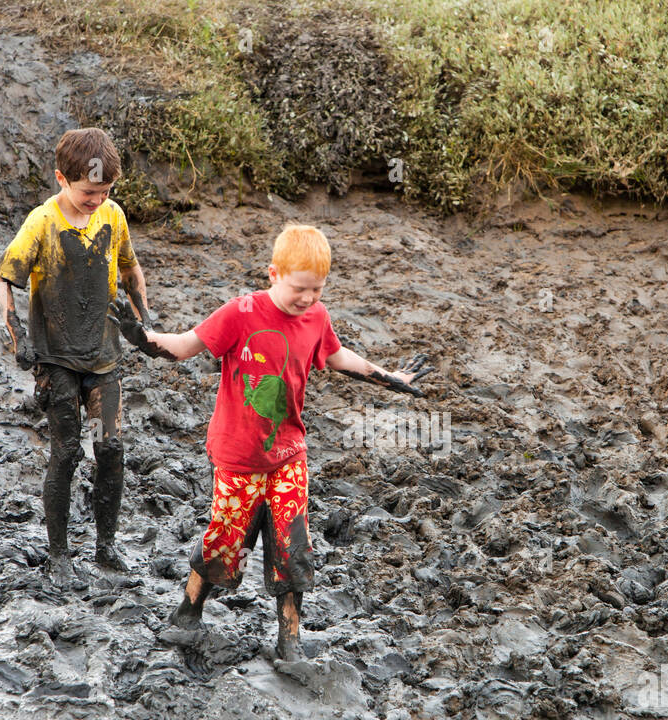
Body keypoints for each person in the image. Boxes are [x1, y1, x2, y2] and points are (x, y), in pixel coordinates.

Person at [110, 223, 430, 661]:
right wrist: (144, 340)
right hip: (238, 457)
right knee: (226, 542)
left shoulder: (317, 318)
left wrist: (389, 377)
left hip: (288, 455)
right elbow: (185, 346)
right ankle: (188, 613)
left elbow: (337, 357)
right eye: (300, 289)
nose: (308, 299)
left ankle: (290, 639)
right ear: (274, 274)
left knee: (293, 546)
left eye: (317, 290)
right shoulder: (240, 312)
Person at [0, 128, 152, 588]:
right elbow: (6, 276)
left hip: (104, 358)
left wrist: (144, 318)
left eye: (105, 192)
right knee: (64, 452)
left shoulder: (114, 216)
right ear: (62, 179)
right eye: (88, 192)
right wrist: (16, 334)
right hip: (57, 358)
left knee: (110, 448)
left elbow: (129, 265)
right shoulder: (42, 222)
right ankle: (59, 555)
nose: (97, 200)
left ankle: (106, 547)